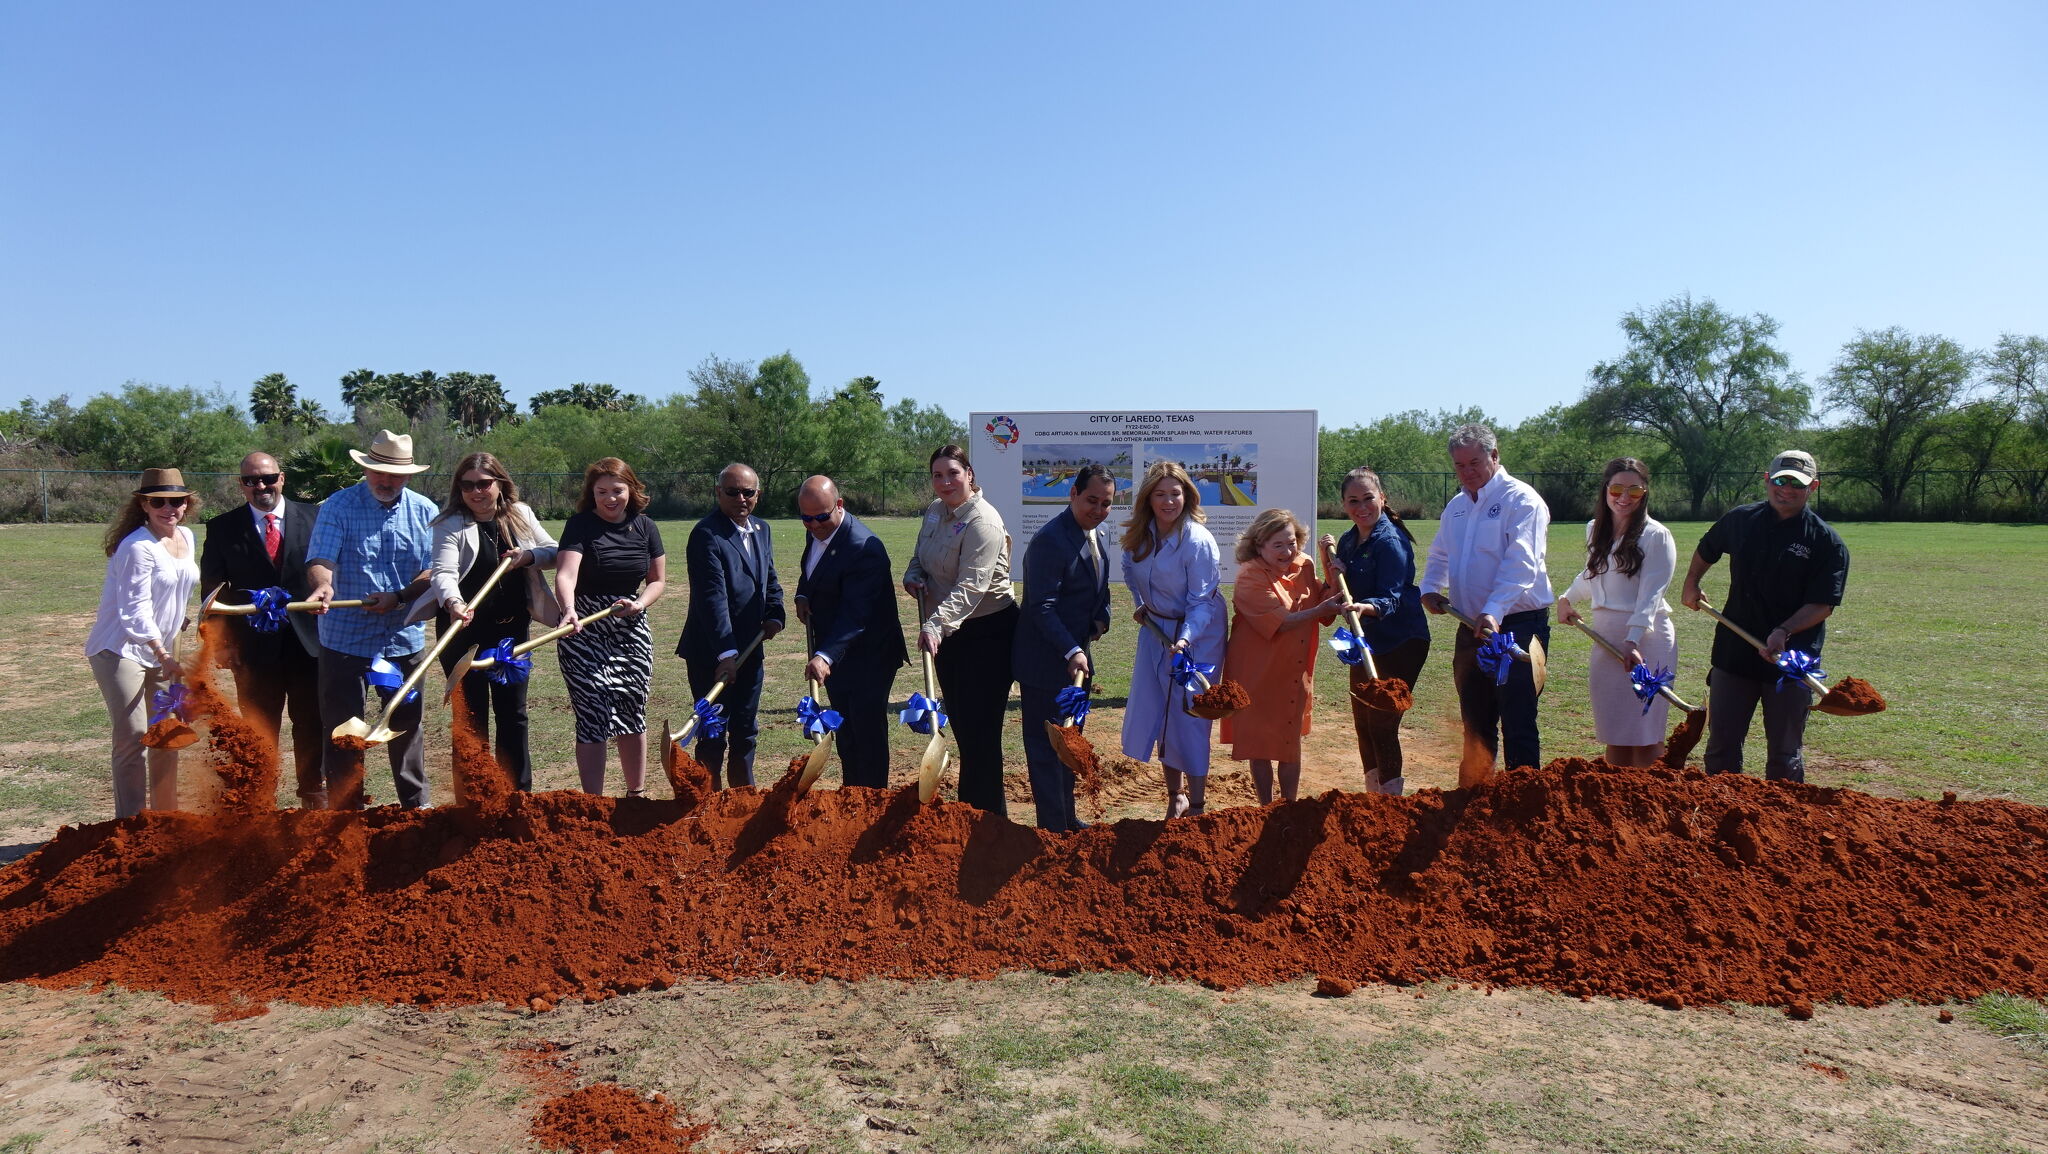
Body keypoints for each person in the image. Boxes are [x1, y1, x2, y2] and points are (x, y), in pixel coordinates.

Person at [1680, 449, 1849, 783]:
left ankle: (1784, 825)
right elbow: (1707, 547)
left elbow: (1823, 604)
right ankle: (1720, 815)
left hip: (1791, 660)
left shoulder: (1827, 542)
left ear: (1812, 487)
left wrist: (1783, 631)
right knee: (1721, 747)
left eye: (1797, 484)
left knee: (1785, 756)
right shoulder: (1740, 520)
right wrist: (1692, 583)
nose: (1786, 489)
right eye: (1780, 480)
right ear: (1767, 480)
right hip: (1734, 652)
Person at [405, 452, 559, 793]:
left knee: (513, 714)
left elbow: (554, 550)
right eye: (468, 485)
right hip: (463, 632)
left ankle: (518, 794)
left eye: (484, 484)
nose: (477, 492)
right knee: (470, 717)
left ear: (500, 484)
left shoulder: (520, 515)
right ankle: (473, 798)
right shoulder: (450, 523)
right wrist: (453, 601)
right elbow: (443, 571)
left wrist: (528, 556)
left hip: (512, 632)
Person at [305, 430, 440, 809]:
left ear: (409, 475)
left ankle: (416, 809)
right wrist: (323, 587)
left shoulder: (426, 512)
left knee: (407, 728)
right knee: (343, 731)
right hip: (344, 640)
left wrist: (399, 597)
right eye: (379, 472)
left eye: (395, 475)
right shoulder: (338, 506)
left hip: (403, 639)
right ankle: (346, 813)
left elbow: (435, 570)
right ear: (366, 469)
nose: (386, 481)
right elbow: (320, 559)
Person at [1420, 422, 1554, 787]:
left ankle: (1523, 804)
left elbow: (1521, 563)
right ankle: (1472, 801)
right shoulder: (1458, 506)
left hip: (1518, 626)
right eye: (1459, 466)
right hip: (1470, 626)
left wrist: (1494, 610)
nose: (1467, 473)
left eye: (1474, 463)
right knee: (1475, 721)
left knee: (1518, 719)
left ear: (1494, 456)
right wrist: (1431, 586)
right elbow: (1441, 553)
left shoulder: (1522, 501)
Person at [200, 451, 324, 807]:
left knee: (311, 723)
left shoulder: (315, 518)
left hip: (309, 644)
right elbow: (212, 589)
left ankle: (314, 795)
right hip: (252, 650)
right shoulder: (222, 527)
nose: (261, 486)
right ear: (241, 485)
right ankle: (261, 796)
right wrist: (221, 643)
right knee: (258, 726)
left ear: (281, 479)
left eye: (268, 478)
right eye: (251, 480)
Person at [903, 445, 1018, 814]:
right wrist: (913, 575)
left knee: (980, 735)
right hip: (950, 635)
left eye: (953, 473)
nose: (945, 481)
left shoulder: (983, 521)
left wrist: (936, 624)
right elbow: (921, 555)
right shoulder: (937, 511)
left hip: (987, 635)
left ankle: (988, 822)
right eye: (937, 475)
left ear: (969, 474)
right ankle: (970, 814)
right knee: (965, 730)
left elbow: (972, 585)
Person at [86, 468, 201, 818]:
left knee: (167, 732)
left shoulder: (186, 536)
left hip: (161, 651)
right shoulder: (136, 546)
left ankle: (165, 818)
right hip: (121, 650)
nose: (169, 508)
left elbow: (176, 589)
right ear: (144, 505)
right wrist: (163, 653)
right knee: (134, 736)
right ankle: (131, 823)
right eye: (158, 501)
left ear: (187, 504)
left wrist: (178, 619)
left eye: (177, 501)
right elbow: (134, 611)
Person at [1118, 461, 1226, 817]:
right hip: (1156, 631)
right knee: (1161, 709)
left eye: (1175, 494)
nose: (1168, 502)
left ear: (1187, 496)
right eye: (1160, 494)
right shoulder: (1139, 536)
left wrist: (1185, 641)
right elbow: (1129, 572)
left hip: (1198, 635)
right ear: (1148, 499)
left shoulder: (1198, 541)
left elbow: (1202, 602)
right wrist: (1139, 605)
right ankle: (1174, 795)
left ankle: (1196, 803)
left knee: (1191, 713)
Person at [556, 457, 668, 796]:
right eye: (601, 491)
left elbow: (657, 581)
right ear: (592, 493)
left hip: (630, 628)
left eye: (617, 490)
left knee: (633, 709)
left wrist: (639, 604)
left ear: (631, 490)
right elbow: (565, 574)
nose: (610, 498)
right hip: (584, 628)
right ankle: (595, 803)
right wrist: (569, 610)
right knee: (592, 714)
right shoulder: (579, 525)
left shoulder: (645, 527)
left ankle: (636, 794)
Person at [1557, 458, 1679, 767]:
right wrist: (1568, 598)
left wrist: (1633, 640)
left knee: (1645, 731)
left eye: (1634, 491)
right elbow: (1593, 575)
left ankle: (1650, 802)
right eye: (1617, 489)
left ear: (1645, 493)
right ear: (1605, 490)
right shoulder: (1595, 529)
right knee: (1615, 730)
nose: (1624, 498)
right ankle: (1618, 806)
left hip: (1645, 641)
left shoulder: (1656, 536)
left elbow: (1651, 596)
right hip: (1605, 636)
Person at [1013, 464, 1115, 832]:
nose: (1099, 510)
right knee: (1046, 751)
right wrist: (1071, 649)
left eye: (1106, 503)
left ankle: (1068, 819)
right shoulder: (1049, 541)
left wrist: (1101, 620)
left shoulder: (1098, 536)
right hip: (1046, 665)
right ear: (1072, 494)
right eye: (1092, 500)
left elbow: (1100, 592)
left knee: (1070, 745)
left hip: (1077, 666)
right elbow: (1041, 605)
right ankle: (1053, 831)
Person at [1221, 510, 1347, 804]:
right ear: (1259, 545)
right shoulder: (1250, 576)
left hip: (1293, 669)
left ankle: (1288, 805)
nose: (1287, 551)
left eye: (1291, 542)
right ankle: (1266, 805)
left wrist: (1331, 571)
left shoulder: (1304, 564)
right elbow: (1282, 622)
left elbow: (1324, 603)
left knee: (1290, 740)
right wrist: (1320, 610)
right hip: (1256, 671)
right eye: (1277, 545)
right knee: (1259, 742)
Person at [675, 463, 784, 787]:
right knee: (713, 732)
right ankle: (706, 803)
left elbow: (770, 579)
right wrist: (725, 652)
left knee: (746, 730)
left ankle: (741, 798)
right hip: (711, 652)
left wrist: (775, 612)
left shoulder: (762, 530)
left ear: (758, 495)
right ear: (718, 493)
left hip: (751, 649)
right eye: (732, 491)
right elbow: (713, 597)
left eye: (748, 492)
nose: (741, 498)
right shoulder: (706, 534)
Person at [795, 476, 908, 788]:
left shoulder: (863, 548)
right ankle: (851, 796)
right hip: (837, 655)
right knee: (845, 730)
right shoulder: (817, 530)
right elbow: (812, 567)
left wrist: (824, 655)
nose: (814, 525)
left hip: (870, 655)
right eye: (806, 518)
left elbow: (856, 615)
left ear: (839, 506)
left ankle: (873, 802)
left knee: (867, 732)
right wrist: (803, 594)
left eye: (821, 517)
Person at [1328, 467, 1429, 796]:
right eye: (1353, 500)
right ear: (1344, 504)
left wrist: (1363, 607)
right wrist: (1334, 566)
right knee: (1362, 721)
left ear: (1382, 499)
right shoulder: (1347, 540)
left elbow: (1393, 597)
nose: (1361, 507)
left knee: (1382, 724)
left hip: (1401, 640)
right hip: (1364, 639)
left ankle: (1390, 803)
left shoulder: (1391, 541)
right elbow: (1337, 591)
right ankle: (1373, 796)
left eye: (1368, 498)